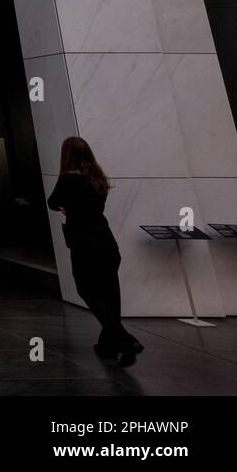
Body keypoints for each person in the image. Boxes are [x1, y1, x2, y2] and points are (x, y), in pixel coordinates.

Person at [47, 136, 143, 366]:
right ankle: (109, 346)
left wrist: (67, 208)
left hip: (84, 243)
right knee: (110, 296)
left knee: (87, 291)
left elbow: (53, 202)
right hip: (106, 242)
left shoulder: (69, 178)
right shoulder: (97, 178)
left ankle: (125, 340)